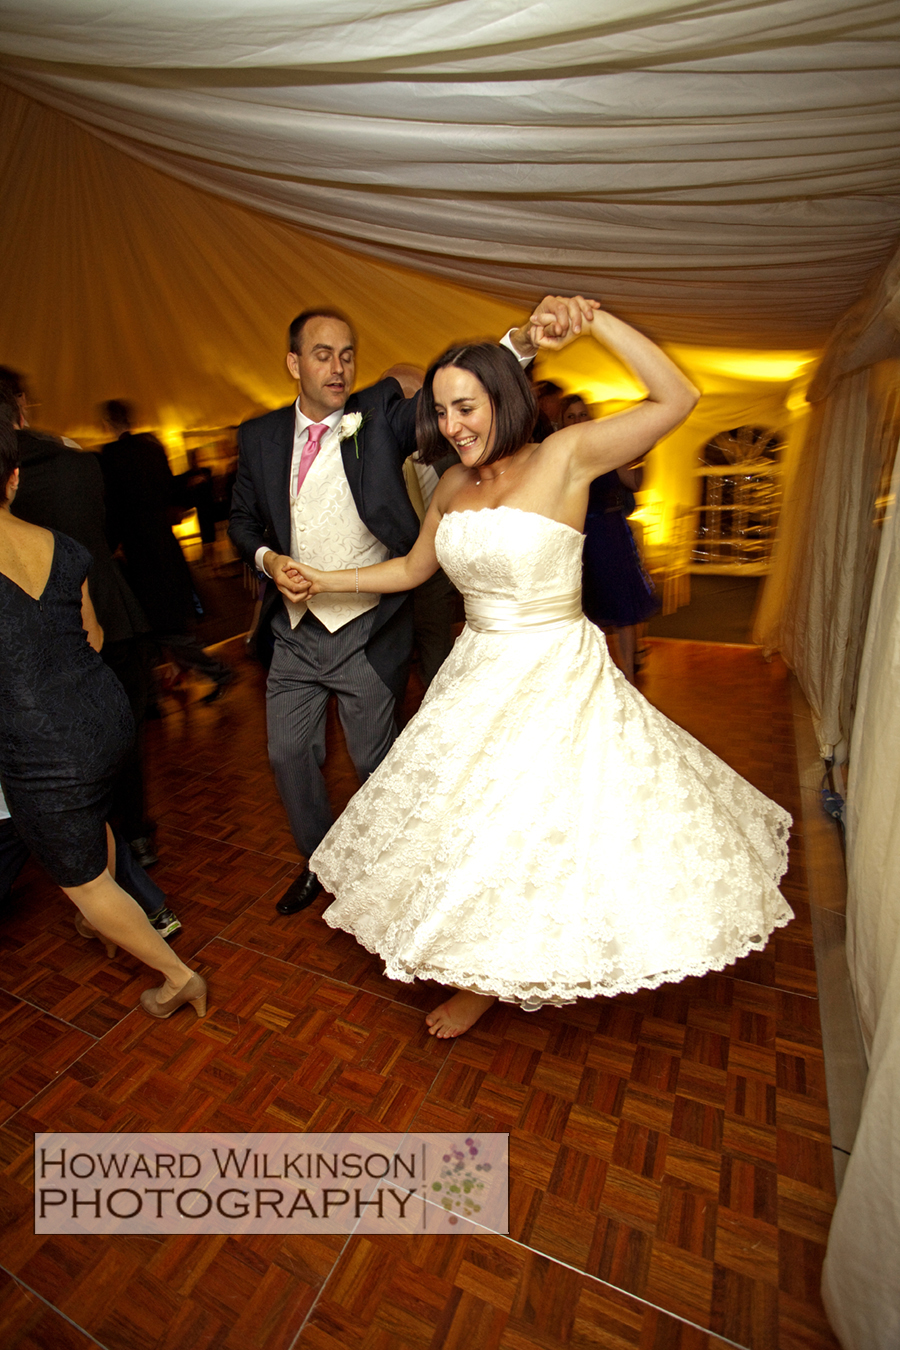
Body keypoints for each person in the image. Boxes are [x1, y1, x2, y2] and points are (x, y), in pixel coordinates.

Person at [290, 298, 794, 1038]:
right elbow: (407, 569)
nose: (453, 425)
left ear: (504, 398)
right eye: (441, 411)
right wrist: (319, 579)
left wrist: (598, 322)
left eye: (466, 407)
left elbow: (678, 398)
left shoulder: (567, 457)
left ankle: (509, 970)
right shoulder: (454, 484)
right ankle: (480, 969)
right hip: (476, 674)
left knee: (542, 827)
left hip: (557, 674)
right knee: (472, 827)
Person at [227, 300, 563, 916]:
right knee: (286, 754)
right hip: (296, 632)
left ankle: (393, 873)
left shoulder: (378, 414)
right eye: (323, 354)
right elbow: (244, 521)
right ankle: (318, 862)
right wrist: (269, 561)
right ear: (293, 362)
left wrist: (517, 343)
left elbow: (450, 400)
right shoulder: (258, 436)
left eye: (348, 354)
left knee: (374, 761)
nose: (339, 367)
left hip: (370, 627)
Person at [0, 422, 206, 1020]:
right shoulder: (64, 546)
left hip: (41, 744)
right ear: (13, 481)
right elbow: (90, 635)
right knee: (95, 820)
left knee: (83, 882)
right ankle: (107, 918)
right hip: (106, 714)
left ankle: (178, 978)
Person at [99, 399, 234, 705]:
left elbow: (115, 508)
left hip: (141, 552)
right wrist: (191, 480)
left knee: (159, 628)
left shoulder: (111, 457)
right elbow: (169, 491)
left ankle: (215, 673)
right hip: (164, 545)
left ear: (108, 424)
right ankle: (159, 691)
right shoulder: (151, 448)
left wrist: (109, 546)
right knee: (159, 626)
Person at [561, 394, 658, 684]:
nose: (578, 420)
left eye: (583, 414)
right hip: (575, 537)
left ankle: (627, 677)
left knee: (622, 608)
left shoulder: (608, 449)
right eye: (571, 416)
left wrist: (642, 450)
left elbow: (635, 482)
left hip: (609, 533)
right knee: (585, 611)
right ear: (561, 422)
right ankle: (595, 678)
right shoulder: (558, 454)